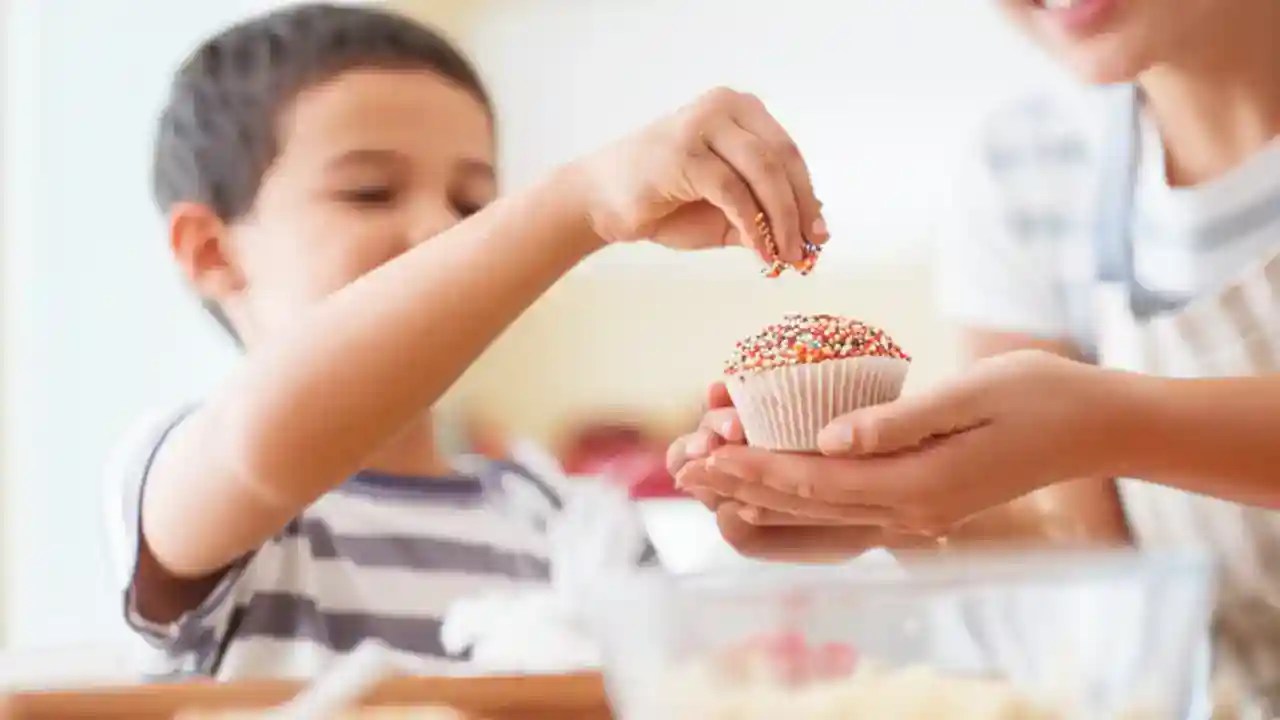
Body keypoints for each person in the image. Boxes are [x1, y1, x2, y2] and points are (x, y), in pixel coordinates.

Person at [106, 3, 824, 679]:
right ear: (209, 250)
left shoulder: (570, 522)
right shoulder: (185, 476)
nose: (444, 232)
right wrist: (582, 203)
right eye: (369, 192)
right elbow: (257, 445)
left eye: (474, 207)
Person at [668, 0, 1280, 708]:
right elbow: (1099, 583)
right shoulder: (1027, 170)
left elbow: (1089, 430)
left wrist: (1106, 426)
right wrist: (903, 511)